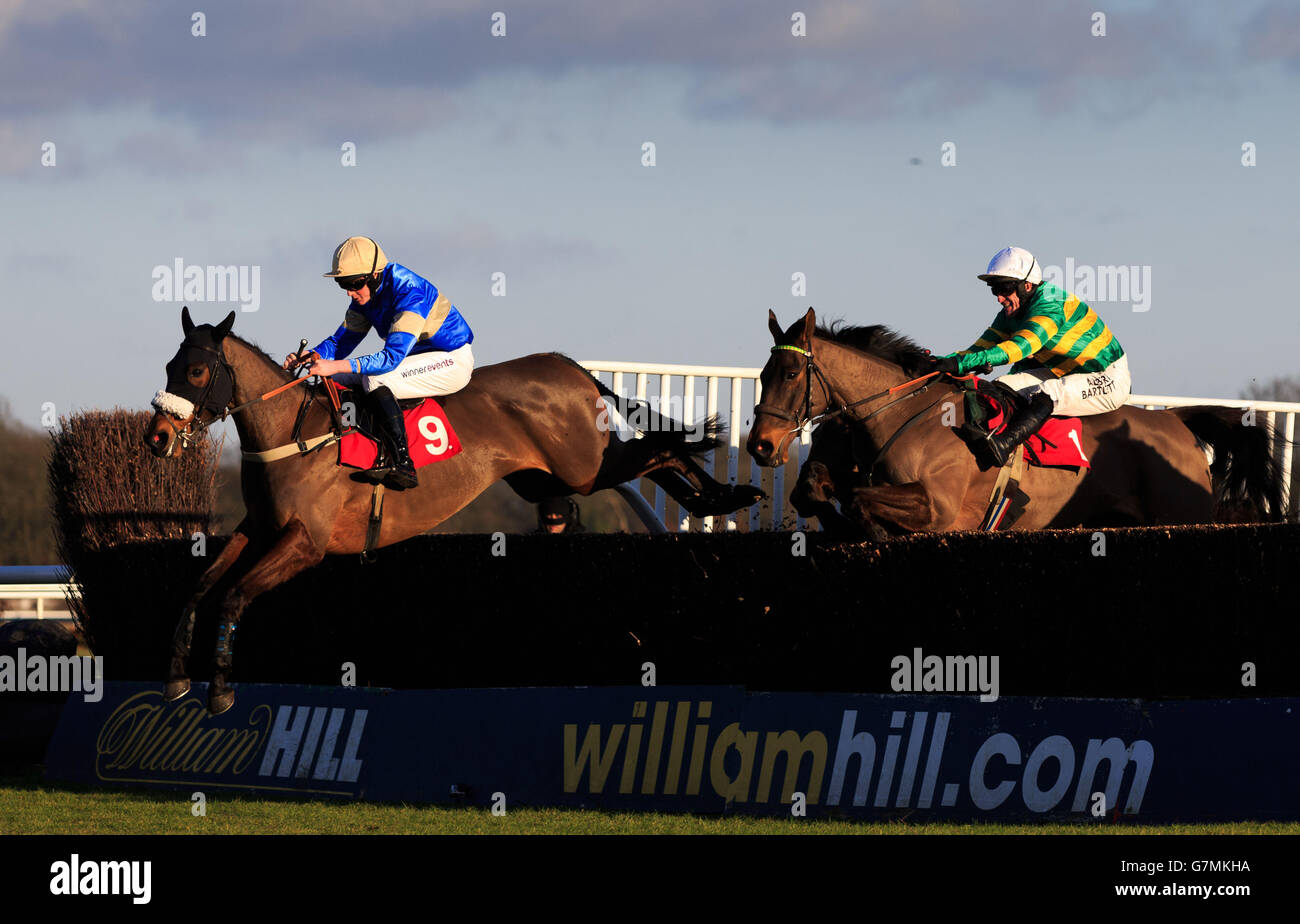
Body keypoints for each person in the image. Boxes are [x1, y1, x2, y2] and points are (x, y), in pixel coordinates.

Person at [284, 236, 474, 489]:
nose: (350, 292)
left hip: (451, 361)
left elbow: (391, 358)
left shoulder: (410, 292)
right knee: (333, 377)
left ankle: (403, 462)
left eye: (354, 284)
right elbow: (341, 342)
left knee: (374, 378)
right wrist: (313, 357)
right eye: (343, 285)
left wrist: (336, 365)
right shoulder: (365, 296)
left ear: (375, 274)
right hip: (416, 360)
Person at [929, 246, 1131, 466]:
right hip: (1062, 371)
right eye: (994, 289)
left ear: (1027, 286)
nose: (999, 298)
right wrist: (940, 362)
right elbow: (979, 349)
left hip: (1109, 378)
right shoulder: (1011, 312)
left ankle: (1004, 445)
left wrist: (961, 363)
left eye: (1005, 288)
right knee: (1002, 384)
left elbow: (1020, 348)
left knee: (1050, 392)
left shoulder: (1051, 306)